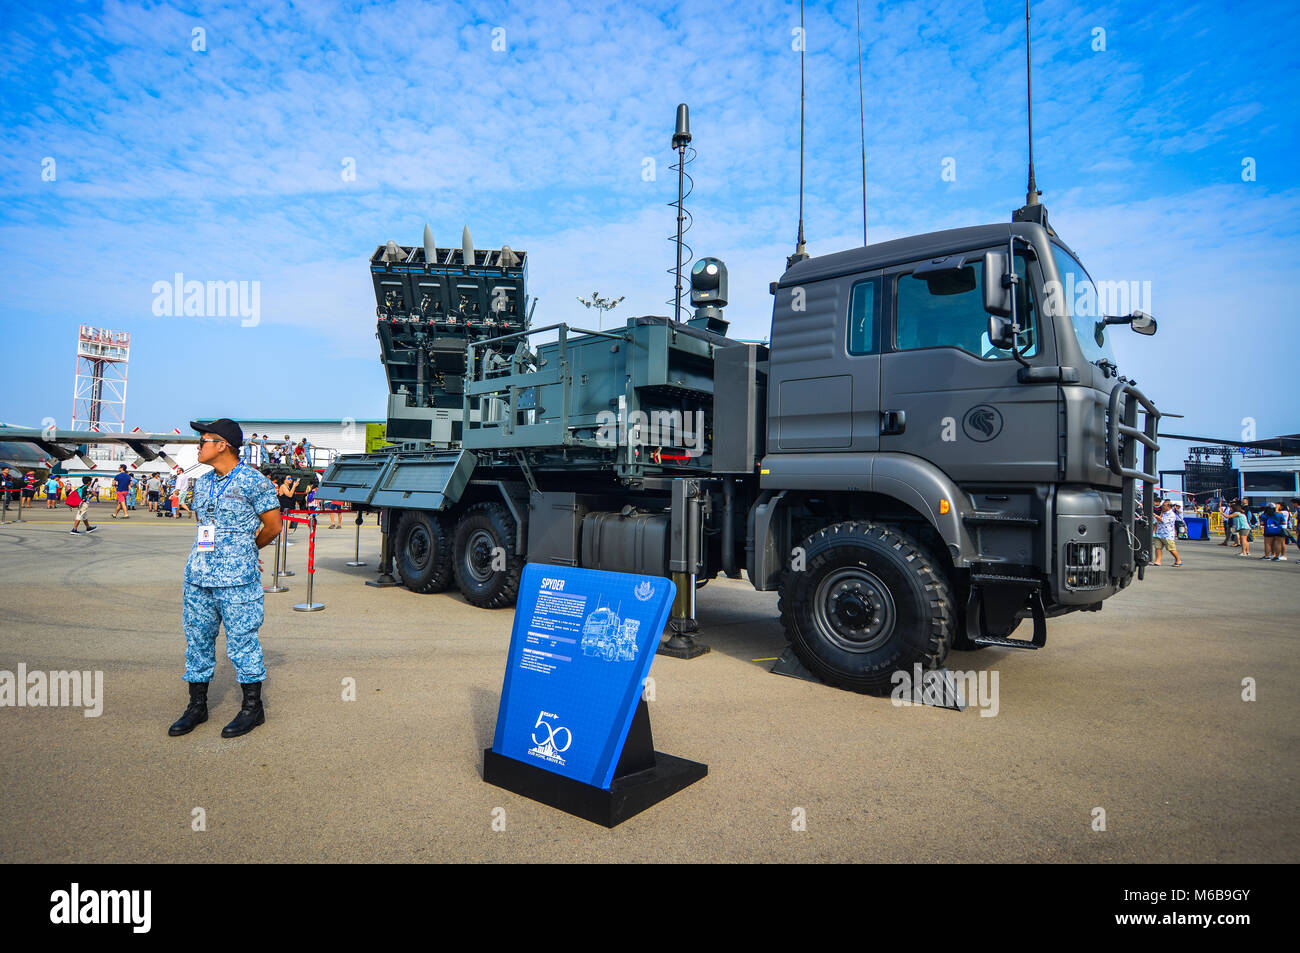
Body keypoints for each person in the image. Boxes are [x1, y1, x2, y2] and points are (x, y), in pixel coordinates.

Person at [168, 419, 281, 740]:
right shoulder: (202, 482)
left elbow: (273, 526)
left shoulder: (253, 481)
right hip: (199, 578)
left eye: (202, 441)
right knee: (197, 641)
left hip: (236, 581)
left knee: (243, 643)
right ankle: (197, 706)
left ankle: (252, 708)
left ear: (223, 445)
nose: (198, 447)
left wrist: (246, 549)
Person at [1151, 499, 1182, 566]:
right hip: (1159, 533)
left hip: (1167, 534)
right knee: (1158, 547)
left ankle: (1178, 560)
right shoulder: (1163, 513)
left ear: (1169, 507)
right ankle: (1158, 561)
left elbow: (1163, 521)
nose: (1162, 506)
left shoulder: (1171, 514)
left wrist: (1155, 515)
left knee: (1171, 549)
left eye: (1164, 505)